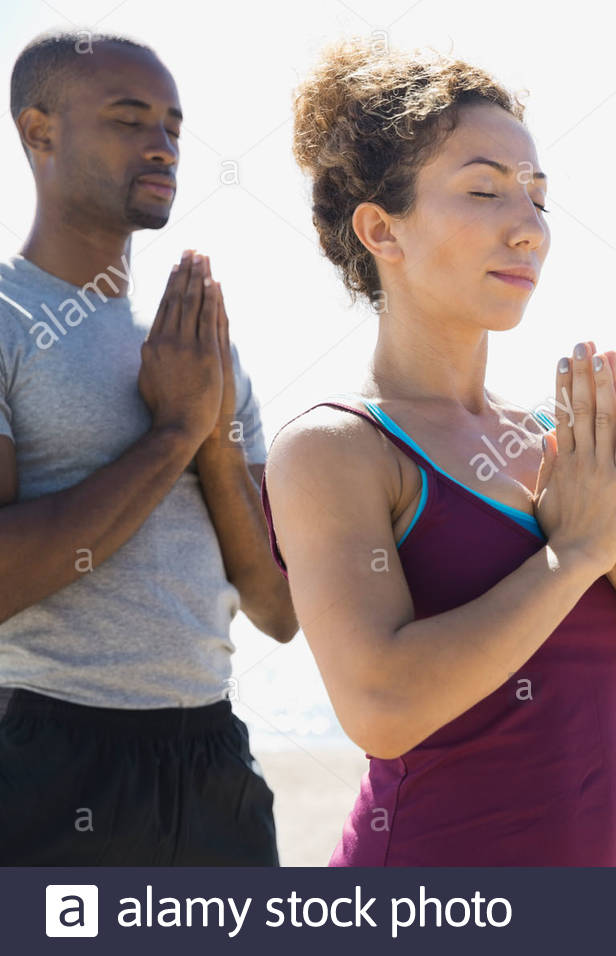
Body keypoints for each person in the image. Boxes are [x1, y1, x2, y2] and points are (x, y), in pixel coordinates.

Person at [260, 38, 616, 866]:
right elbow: (381, 707)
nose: (529, 229)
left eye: (538, 197)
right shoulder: (334, 448)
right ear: (382, 229)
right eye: (485, 190)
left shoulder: (560, 446)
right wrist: (577, 552)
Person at [0, 30, 296, 865]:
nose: (162, 144)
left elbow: (278, 607)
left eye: (172, 124)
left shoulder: (197, 346)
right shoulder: (7, 318)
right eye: (130, 120)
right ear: (40, 132)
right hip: (51, 753)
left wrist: (211, 442)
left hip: (211, 757)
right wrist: (173, 435)